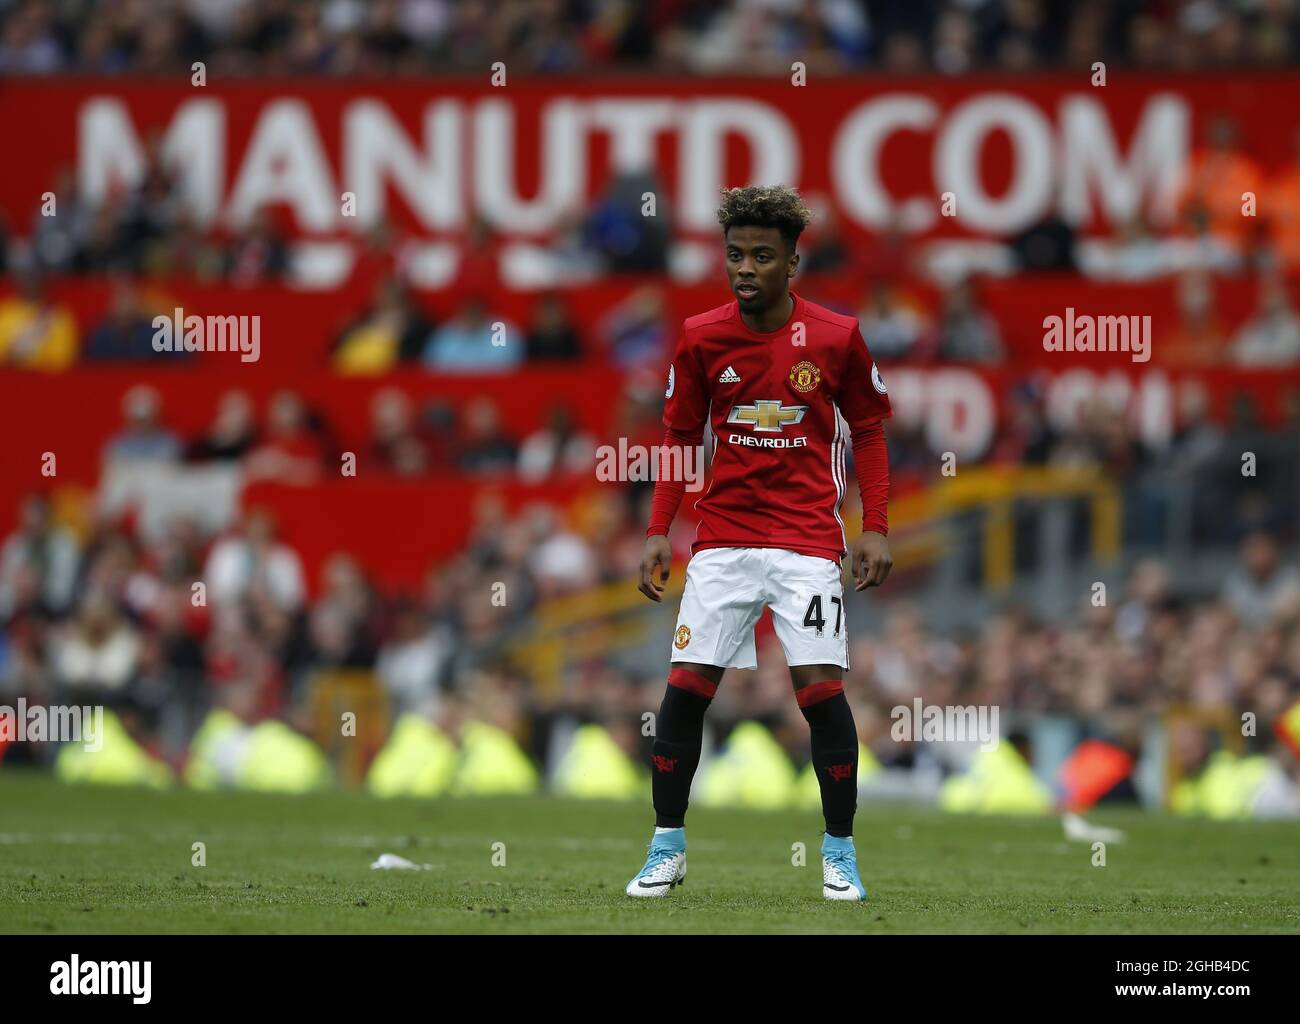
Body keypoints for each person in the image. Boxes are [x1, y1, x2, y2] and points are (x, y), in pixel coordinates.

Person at [626, 185, 892, 902]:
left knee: (820, 693)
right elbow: (680, 434)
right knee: (684, 691)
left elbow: (867, 428)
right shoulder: (703, 335)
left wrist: (875, 527)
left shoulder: (836, 336)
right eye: (735, 254)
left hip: (807, 541)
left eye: (762, 256)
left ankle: (838, 854)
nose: (745, 268)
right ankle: (666, 848)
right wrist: (658, 531)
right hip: (723, 541)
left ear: (792, 264)